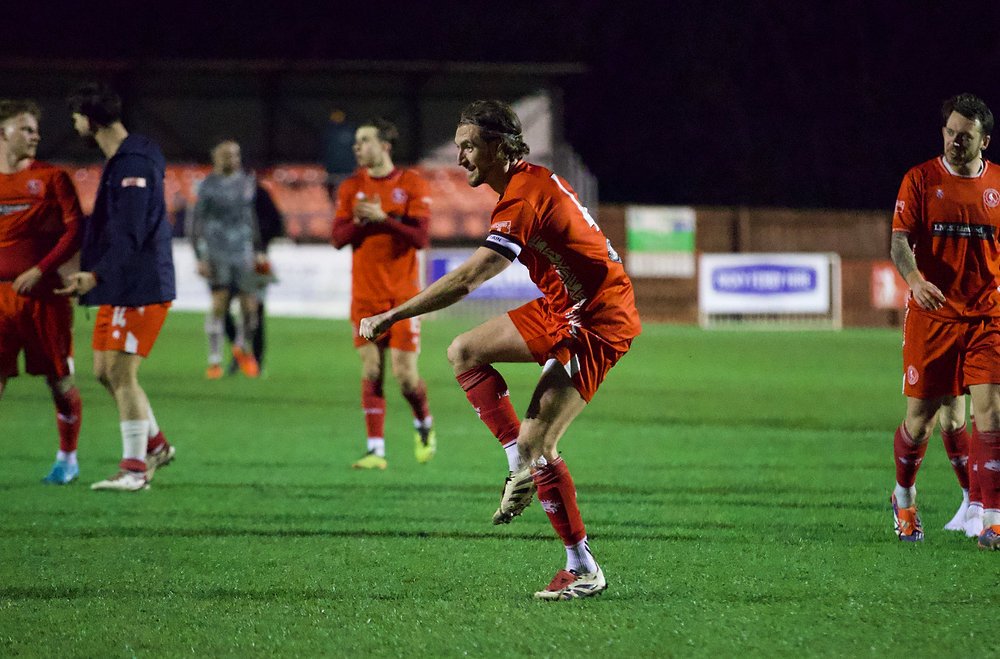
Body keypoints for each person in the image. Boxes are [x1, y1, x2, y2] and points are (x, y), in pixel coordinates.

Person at [360, 100, 642, 599]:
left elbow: (467, 279)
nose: (460, 157)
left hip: (598, 319)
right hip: (562, 306)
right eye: (459, 146)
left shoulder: (522, 198)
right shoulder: (524, 184)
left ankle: (582, 567)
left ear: (499, 146)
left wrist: (392, 315)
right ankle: (517, 459)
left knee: (541, 448)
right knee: (463, 350)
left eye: (469, 146)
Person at [889, 92, 1000, 549]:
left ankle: (992, 518)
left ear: (984, 141)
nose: (955, 141)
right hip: (933, 316)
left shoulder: (998, 186)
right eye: (950, 132)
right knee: (922, 422)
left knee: (990, 412)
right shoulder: (920, 180)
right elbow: (899, 242)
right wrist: (915, 280)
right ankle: (904, 497)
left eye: (965, 135)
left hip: (986, 316)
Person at [58, 82, 176, 492]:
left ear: (90, 121)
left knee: (122, 373)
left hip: (139, 285)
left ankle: (134, 470)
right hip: (120, 285)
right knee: (104, 372)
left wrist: (95, 275)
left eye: (77, 118)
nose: (75, 125)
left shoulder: (133, 164)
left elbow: (130, 233)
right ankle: (156, 446)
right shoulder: (125, 158)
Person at [331, 118, 437, 469]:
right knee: (372, 370)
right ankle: (375, 450)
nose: (357, 147)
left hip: (405, 299)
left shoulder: (411, 184)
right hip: (365, 297)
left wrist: (384, 218)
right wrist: (361, 222)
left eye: (364, 140)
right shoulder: (351, 187)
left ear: (384, 146)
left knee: (405, 377)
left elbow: (421, 238)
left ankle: (423, 422)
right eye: (357, 141)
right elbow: (337, 238)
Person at [0, 99, 84, 484]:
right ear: (3, 133)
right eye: (26, 129)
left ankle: (68, 459)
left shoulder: (52, 178)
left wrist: (40, 269)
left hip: (44, 298)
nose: (35, 136)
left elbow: (75, 230)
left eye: (35, 130)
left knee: (59, 381)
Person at [189, 140, 265, 379]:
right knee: (219, 304)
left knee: (250, 306)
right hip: (217, 250)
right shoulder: (207, 185)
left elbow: (250, 217)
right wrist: (199, 256)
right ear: (216, 158)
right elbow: (196, 222)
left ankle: (241, 348)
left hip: (243, 251)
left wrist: (258, 249)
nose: (233, 159)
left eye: (236, 155)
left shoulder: (246, 182)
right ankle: (214, 360)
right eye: (227, 155)